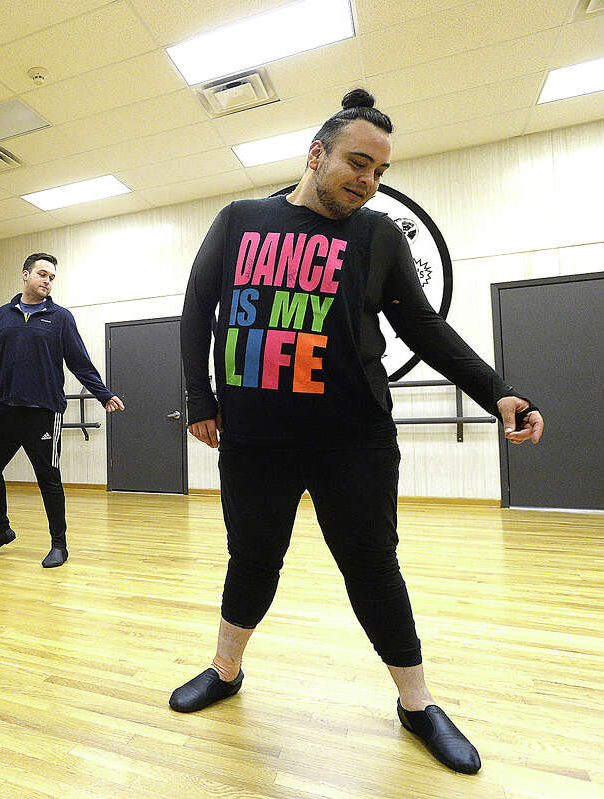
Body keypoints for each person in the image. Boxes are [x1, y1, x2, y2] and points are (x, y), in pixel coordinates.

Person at [172, 89, 544, 774]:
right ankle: (225, 671)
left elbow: (425, 327)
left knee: (372, 564)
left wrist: (497, 390)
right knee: (252, 557)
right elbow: (198, 308)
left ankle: (416, 703)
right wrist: (201, 396)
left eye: (379, 171)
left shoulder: (378, 236)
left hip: (354, 436)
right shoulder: (239, 220)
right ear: (316, 154)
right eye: (358, 162)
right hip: (256, 436)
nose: (368, 180)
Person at [0, 253, 125, 568]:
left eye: (52, 277)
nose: (47, 281)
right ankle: (1, 529)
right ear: (25, 275)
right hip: (5, 408)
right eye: (42, 274)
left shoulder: (60, 318)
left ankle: (59, 545)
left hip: (43, 411)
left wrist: (103, 393)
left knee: (48, 477)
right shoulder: (2, 316)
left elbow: (78, 361)